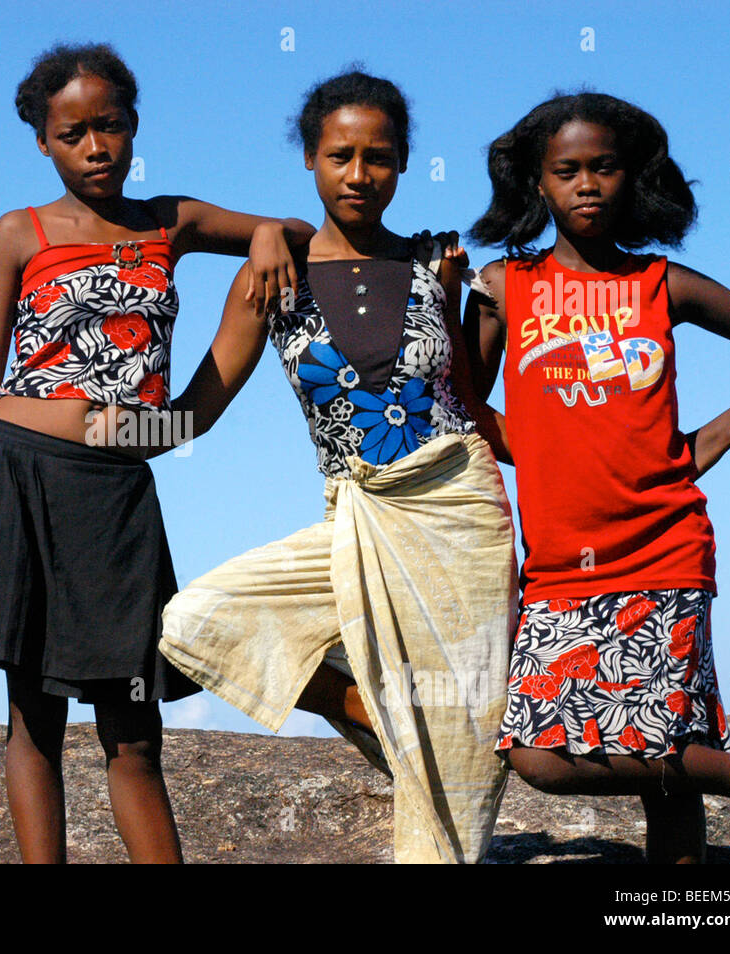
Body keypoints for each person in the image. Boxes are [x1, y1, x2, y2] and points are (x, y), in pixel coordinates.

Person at [0, 42, 315, 864]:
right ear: (42, 141)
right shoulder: (18, 233)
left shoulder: (171, 220)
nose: (96, 147)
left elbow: (292, 230)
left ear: (135, 127)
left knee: (134, 731)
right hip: (17, 473)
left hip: (120, 485)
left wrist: (274, 233)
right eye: (73, 134)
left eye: (110, 127)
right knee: (32, 717)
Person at [157, 69, 517, 863]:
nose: (360, 175)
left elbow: (465, 398)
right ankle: (365, 708)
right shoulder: (271, 273)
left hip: (461, 517)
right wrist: (89, 437)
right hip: (355, 515)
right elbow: (198, 411)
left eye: (379, 157)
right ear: (311, 161)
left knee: (457, 767)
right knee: (191, 624)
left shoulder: (438, 264)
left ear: (404, 162)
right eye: (340, 155)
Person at [463, 91, 730, 863]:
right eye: (566, 170)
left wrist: (716, 437)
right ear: (537, 184)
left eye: (603, 168)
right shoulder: (507, 286)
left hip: (663, 545)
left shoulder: (660, 284)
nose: (586, 185)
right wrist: (534, 444)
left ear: (629, 177)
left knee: (664, 763)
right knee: (537, 754)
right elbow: (464, 402)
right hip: (558, 563)